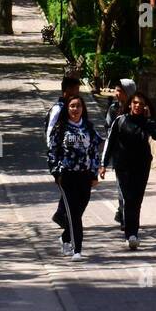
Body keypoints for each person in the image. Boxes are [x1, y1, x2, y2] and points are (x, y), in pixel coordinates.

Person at [99, 91, 156, 250]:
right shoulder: (120, 121)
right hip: (123, 166)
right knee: (128, 199)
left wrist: (149, 119)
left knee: (137, 200)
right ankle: (130, 235)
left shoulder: (146, 122)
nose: (138, 106)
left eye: (141, 103)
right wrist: (103, 164)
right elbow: (110, 142)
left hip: (142, 166)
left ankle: (134, 233)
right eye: (135, 103)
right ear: (130, 104)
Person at [47, 86, 102, 260]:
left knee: (79, 211)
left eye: (78, 106)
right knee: (73, 213)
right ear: (67, 109)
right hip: (67, 176)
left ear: (83, 109)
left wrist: (94, 173)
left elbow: (94, 151)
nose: (75, 109)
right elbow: (52, 151)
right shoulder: (60, 128)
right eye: (72, 106)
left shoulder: (89, 128)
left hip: (85, 176)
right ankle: (77, 249)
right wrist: (56, 173)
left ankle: (64, 238)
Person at [104, 78, 135, 227]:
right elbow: (108, 129)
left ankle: (123, 213)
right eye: (116, 90)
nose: (116, 93)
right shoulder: (113, 108)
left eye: (120, 91)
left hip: (136, 157)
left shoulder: (137, 108)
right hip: (119, 155)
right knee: (122, 187)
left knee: (133, 189)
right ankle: (124, 216)